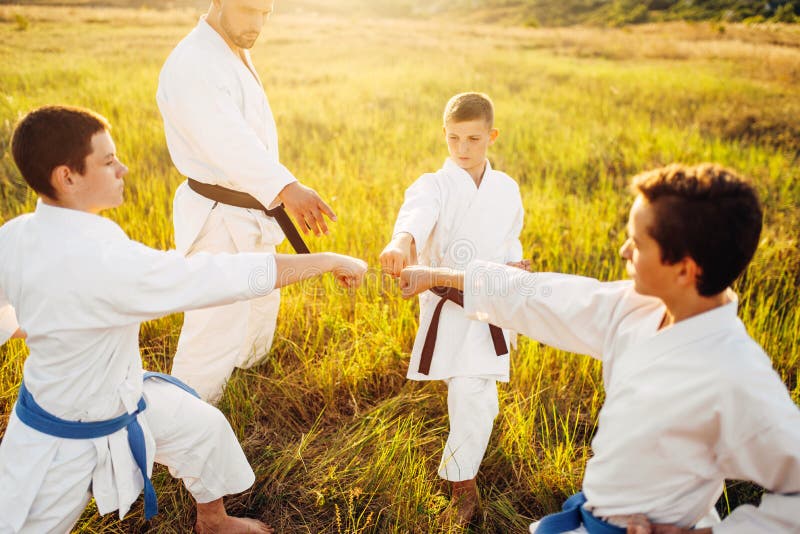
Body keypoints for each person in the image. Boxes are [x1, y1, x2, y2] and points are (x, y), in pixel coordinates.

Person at [0, 105, 367, 533]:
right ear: (67, 177)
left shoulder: (17, 233)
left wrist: (22, 327)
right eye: (107, 161)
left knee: (203, 429)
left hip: (124, 396)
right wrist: (325, 261)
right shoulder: (106, 260)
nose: (123, 168)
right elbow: (214, 277)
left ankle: (214, 521)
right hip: (59, 437)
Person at [399, 163, 800, 533]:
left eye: (638, 244)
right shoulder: (636, 309)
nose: (625, 250)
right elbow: (540, 295)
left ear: (685, 269)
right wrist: (437, 274)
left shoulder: (735, 374)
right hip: (590, 514)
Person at [156, 0, 337, 402]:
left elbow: (249, 132)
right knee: (214, 326)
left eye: (265, 14)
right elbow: (228, 141)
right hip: (219, 216)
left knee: (258, 304)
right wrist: (287, 188)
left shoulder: (233, 51)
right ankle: (182, 422)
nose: (257, 24)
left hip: (251, 206)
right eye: (247, 10)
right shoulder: (195, 63)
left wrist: (278, 188)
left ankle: (246, 385)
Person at [380, 92, 527, 525]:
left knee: (472, 391)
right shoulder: (434, 184)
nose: (462, 149)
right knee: (469, 388)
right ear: (444, 135)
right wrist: (400, 242)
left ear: (492, 136)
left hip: (494, 298)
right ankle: (471, 450)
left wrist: (515, 262)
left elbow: (511, 237)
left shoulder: (506, 188)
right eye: (454, 138)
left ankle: (463, 487)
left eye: (474, 139)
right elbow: (416, 215)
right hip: (447, 301)